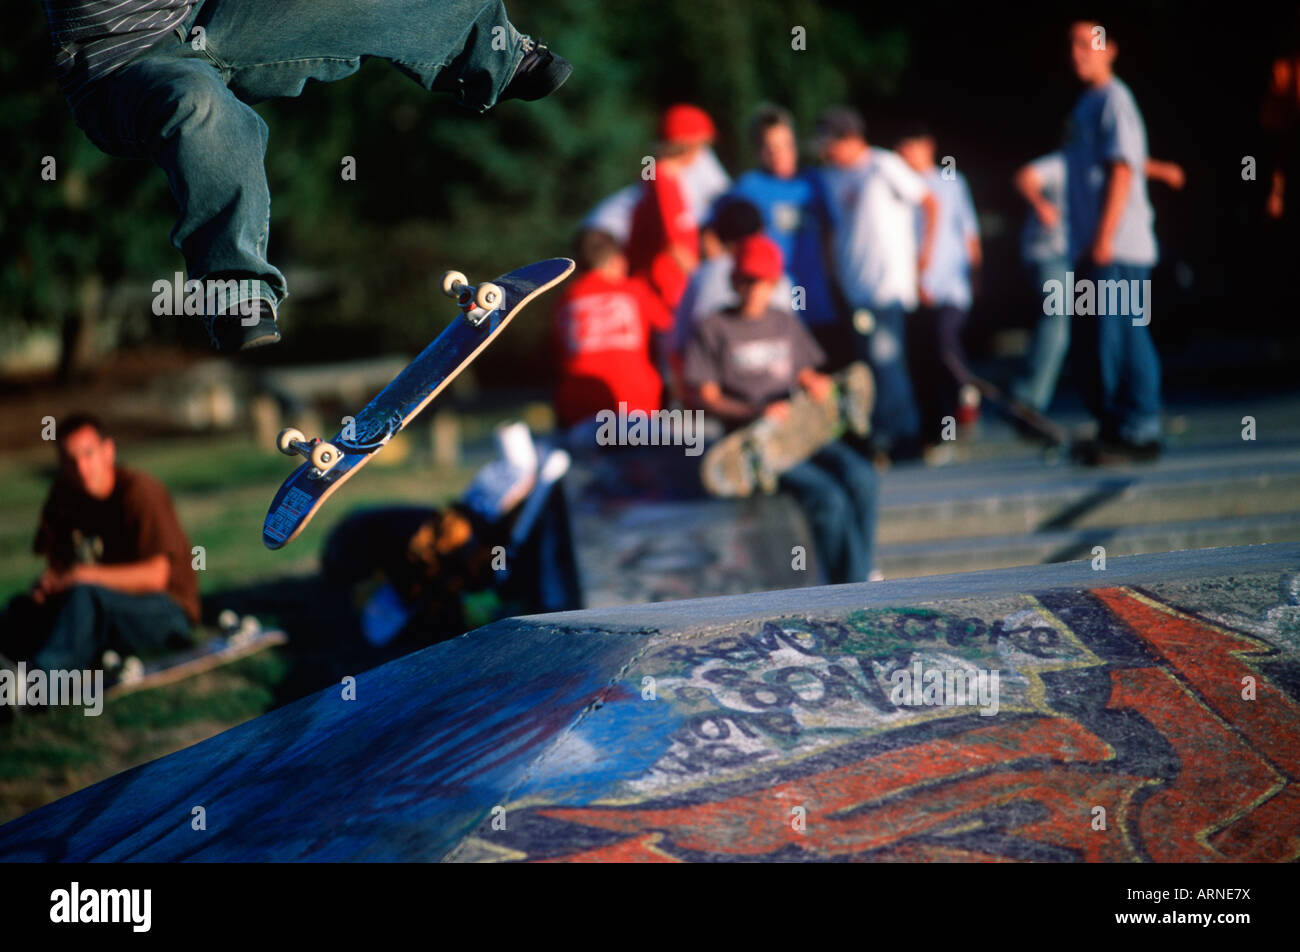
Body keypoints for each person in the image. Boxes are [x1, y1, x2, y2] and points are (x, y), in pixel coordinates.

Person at [38, 0, 572, 353]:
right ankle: (235, 293)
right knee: (201, 106)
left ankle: (492, 52)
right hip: (120, 67)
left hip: (213, 18)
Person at [684, 234, 878, 584]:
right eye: (746, 282)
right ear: (734, 282)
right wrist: (754, 412)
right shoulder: (713, 328)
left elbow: (804, 371)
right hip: (755, 442)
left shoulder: (783, 321)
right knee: (828, 497)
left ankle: (862, 572)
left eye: (761, 283)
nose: (753, 291)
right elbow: (706, 398)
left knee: (863, 477)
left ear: (773, 283)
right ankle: (849, 585)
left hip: (798, 430)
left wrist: (816, 383)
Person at [0, 414, 200, 685]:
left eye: (88, 455)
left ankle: (37, 684)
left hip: (165, 610)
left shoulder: (139, 492)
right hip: (95, 605)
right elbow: (59, 565)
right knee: (22, 608)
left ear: (108, 451)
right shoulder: (63, 498)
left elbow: (156, 577)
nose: (81, 468)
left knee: (86, 596)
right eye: (70, 461)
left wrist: (82, 576)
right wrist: (48, 585)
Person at [1011, 149, 1183, 415]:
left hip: (1082, 257)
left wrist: (1164, 170)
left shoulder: (1096, 163)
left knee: (1095, 327)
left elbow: (1128, 164)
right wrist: (1040, 204)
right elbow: (1025, 177)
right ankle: (1028, 396)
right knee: (1059, 319)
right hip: (1052, 254)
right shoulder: (1064, 162)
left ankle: (1109, 403)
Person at [1062, 19, 1164, 460]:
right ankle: (1114, 424)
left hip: (1118, 245)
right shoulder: (1088, 104)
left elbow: (1123, 169)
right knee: (1098, 338)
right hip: (1095, 246)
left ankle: (1140, 428)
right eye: (1073, 45)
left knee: (1123, 334)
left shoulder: (1115, 101)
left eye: (1088, 44)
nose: (1078, 53)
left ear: (1111, 49)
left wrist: (1104, 237)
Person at [816, 107, 937, 458]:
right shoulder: (831, 177)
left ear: (851, 139)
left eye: (832, 144)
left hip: (887, 284)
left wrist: (922, 258)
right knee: (869, 365)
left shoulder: (882, 165)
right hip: (855, 288)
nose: (827, 152)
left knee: (887, 361)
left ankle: (903, 435)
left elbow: (929, 202)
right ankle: (885, 433)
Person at [728, 104, 845, 362]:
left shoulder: (814, 181)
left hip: (816, 299)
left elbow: (830, 233)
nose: (779, 154)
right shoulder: (749, 186)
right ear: (759, 151)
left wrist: (833, 278)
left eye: (785, 144)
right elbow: (717, 234)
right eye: (769, 147)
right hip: (775, 304)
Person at [896, 124, 982, 443]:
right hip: (916, 288)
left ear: (927, 145)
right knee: (925, 357)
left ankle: (967, 391)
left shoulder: (951, 181)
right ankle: (938, 428)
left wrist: (976, 275)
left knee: (946, 341)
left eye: (911, 145)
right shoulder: (901, 185)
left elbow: (968, 230)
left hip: (951, 283)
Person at [551, 228, 673, 433]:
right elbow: (670, 331)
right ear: (616, 260)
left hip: (579, 413)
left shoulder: (565, 299)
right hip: (639, 409)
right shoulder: (634, 290)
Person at [625, 104, 717, 315]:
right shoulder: (662, 180)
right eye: (701, 144)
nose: (703, 152)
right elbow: (675, 247)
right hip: (661, 297)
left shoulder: (667, 178)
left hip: (669, 293)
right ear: (685, 144)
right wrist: (704, 281)